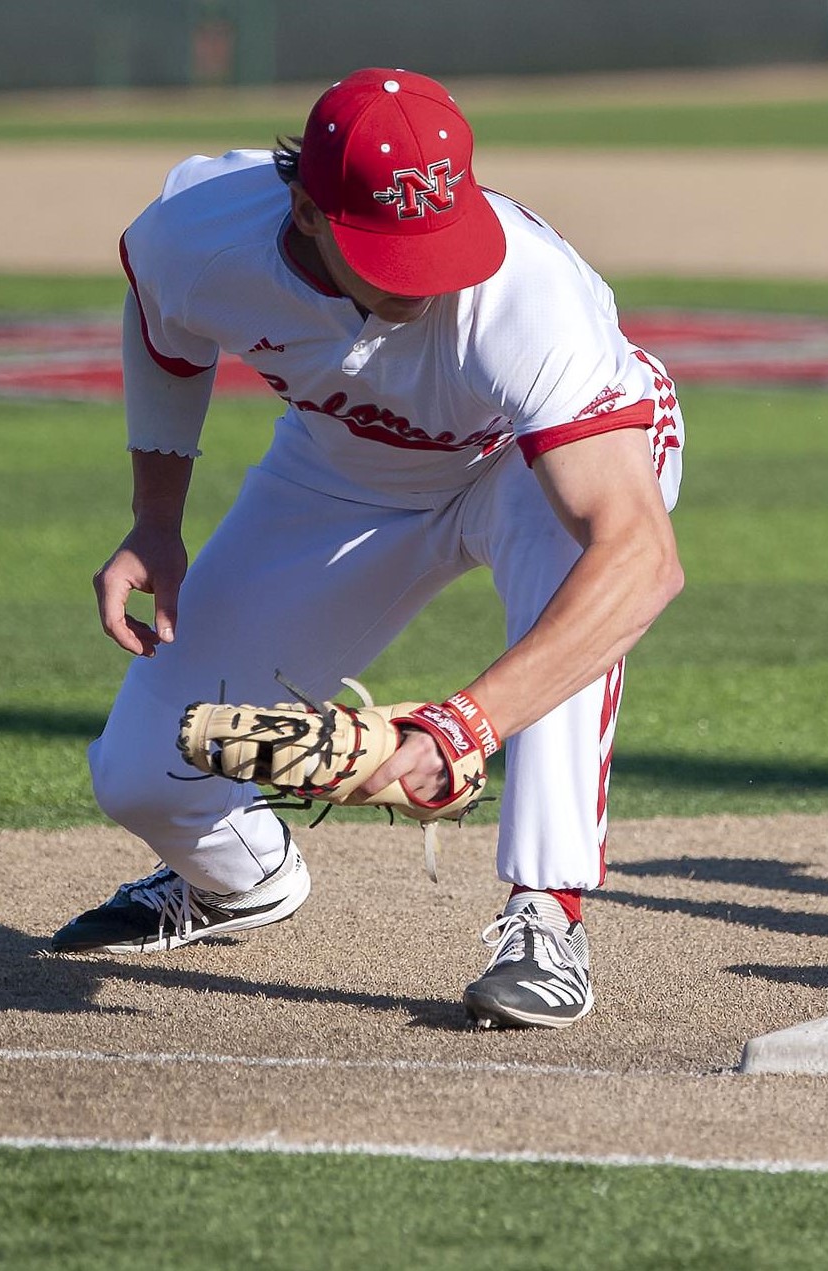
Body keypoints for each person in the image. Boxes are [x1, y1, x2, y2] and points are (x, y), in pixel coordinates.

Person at [55, 68, 686, 1031]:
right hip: (342, 473)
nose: (427, 276)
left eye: (441, 239)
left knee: (572, 559)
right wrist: (155, 515)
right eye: (393, 253)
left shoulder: (526, 295)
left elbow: (640, 557)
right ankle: (240, 881)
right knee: (140, 769)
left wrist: (462, 729)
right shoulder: (198, 229)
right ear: (307, 208)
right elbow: (165, 328)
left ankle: (546, 913)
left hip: (533, 459)